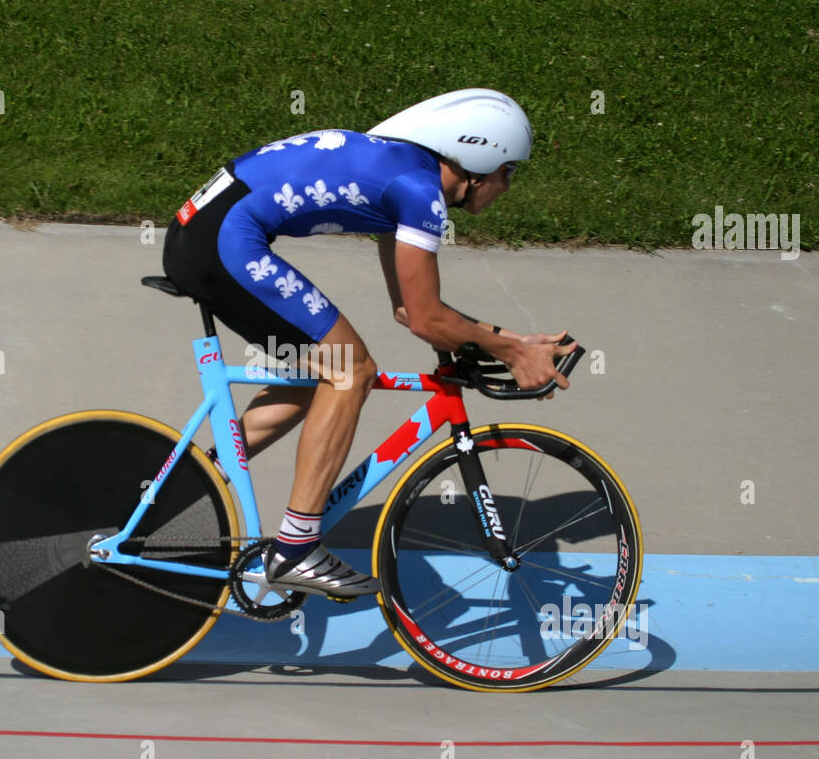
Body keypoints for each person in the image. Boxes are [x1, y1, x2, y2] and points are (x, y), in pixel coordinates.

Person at [162, 88, 576, 599]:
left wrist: (513, 340)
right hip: (224, 240)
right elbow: (427, 318)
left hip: (206, 234)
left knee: (321, 375)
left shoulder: (405, 175)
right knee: (349, 370)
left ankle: (177, 493)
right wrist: (512, 353)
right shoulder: (419, 192)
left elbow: (407, 308)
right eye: (507, 172)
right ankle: (295, 549)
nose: (507, 187)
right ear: (478, 160)